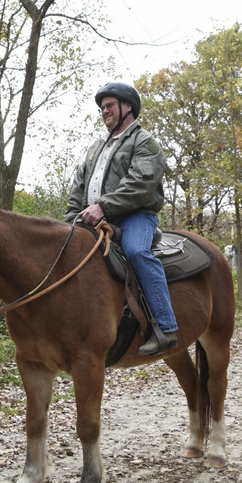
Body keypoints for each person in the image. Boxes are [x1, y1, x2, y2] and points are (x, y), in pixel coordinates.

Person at [65, 82, 178, 356]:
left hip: (135, 216)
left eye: (110, 106)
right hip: (92, 216)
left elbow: (141, 182)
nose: (104, 112)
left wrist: (103, 206)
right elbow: (79, 184)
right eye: (102, 108)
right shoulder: (95, 147)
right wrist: (70, 216)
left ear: (128, 107)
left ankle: (166, 327)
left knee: (136, 251)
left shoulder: (145, 143)